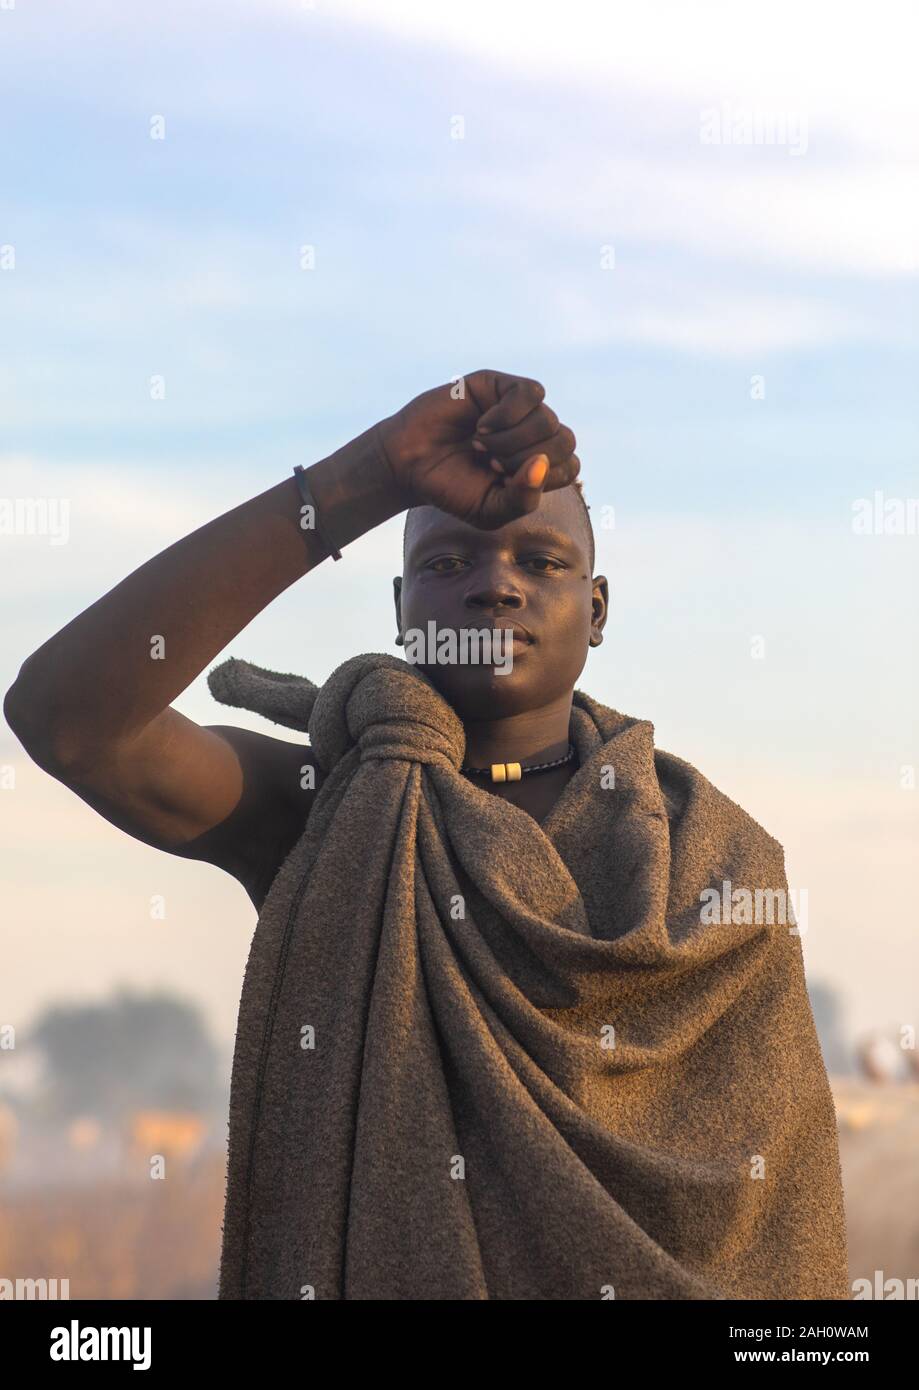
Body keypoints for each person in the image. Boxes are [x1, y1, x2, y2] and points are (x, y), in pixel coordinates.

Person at [5, 370, 850, 1300]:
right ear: (403, 612)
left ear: (597, 608)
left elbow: (773, 1237)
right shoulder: (326, 805)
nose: (495, 587)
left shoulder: (716, 862)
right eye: (449, 566)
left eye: (541, 562)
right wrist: (363, 478)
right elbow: (66, 720)